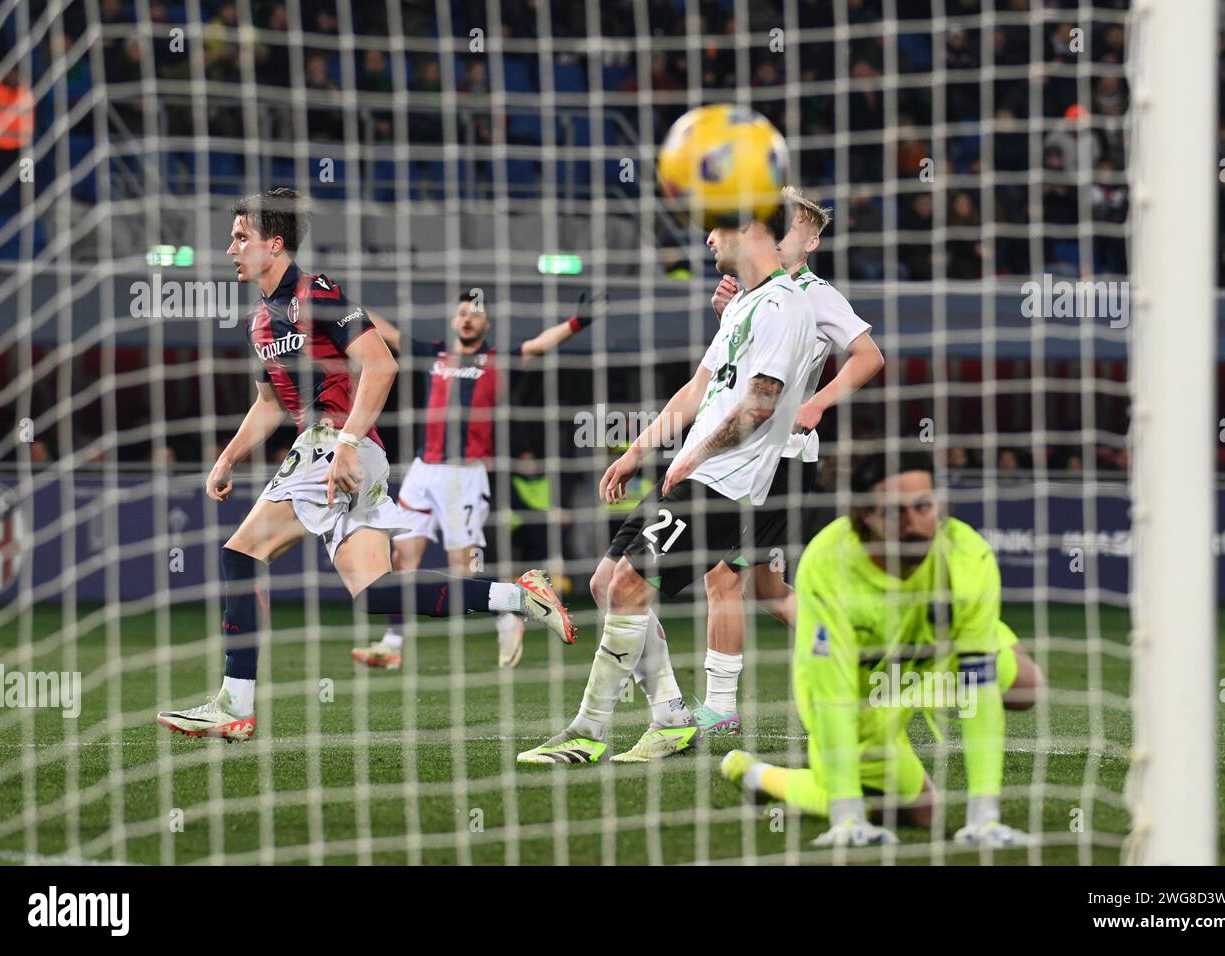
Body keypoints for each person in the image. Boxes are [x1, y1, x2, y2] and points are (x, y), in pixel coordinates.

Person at [156, 189, 574, 741]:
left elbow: (382, 365)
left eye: (240, 238)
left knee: (241, 556)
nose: (229, 248)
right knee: (378, 591)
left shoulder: (319, 292)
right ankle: (521, 596)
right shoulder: (261, 320)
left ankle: (235, 704)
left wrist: (347, 443)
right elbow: (268, 404)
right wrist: (227, 459)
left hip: (336, 445)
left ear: (274, 244)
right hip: (340, 450)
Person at [517, 201, 819, 764]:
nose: (707, 239)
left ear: (750, 230)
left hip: (726, 483)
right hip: (694, 470)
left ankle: (588, 730)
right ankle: (672, 718)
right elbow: (697, 388)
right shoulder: (743, 305)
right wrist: (638, 451)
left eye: (717, 227)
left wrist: (691, 456)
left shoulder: (785, 306)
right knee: (605, 584)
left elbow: (759, 406)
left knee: (630, 587)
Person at [721, 451, 1041, 847]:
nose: (913, 525)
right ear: (865, 516)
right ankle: (756, 774)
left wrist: (984, 817)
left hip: (934, 664)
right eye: (894, 512)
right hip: (859, 692)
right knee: (922, 812)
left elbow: (979, 681)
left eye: (923, 506)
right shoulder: (828, 565)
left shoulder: (966, 554)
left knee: (1027, 685)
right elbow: (833, 695)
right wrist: (848, 817)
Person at [694, 186, 885, 736]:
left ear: (812, 239)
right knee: (766, 589)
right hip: (759, 454)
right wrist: (727, 314)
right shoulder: (764, 291)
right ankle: (856, 656)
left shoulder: (813, 293)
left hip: (778, 457)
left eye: (793, 223)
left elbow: (870, 355)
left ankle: (721, 707)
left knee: (721, 577)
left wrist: (817, 403)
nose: (779, 230)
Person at [350, 289, 596, 669]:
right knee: (401, 557)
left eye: (475, 314)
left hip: (464, 474)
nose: (467, 319)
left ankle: (508, 616)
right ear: (453, 320)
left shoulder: (497, 360)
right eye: (462, 313)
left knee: (463, 565)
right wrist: (348, 309)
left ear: (487, 324)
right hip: (422, 470)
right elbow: (391, 335)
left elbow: (536, 346)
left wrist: (577, 323)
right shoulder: (435, 355)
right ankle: (392, 643)